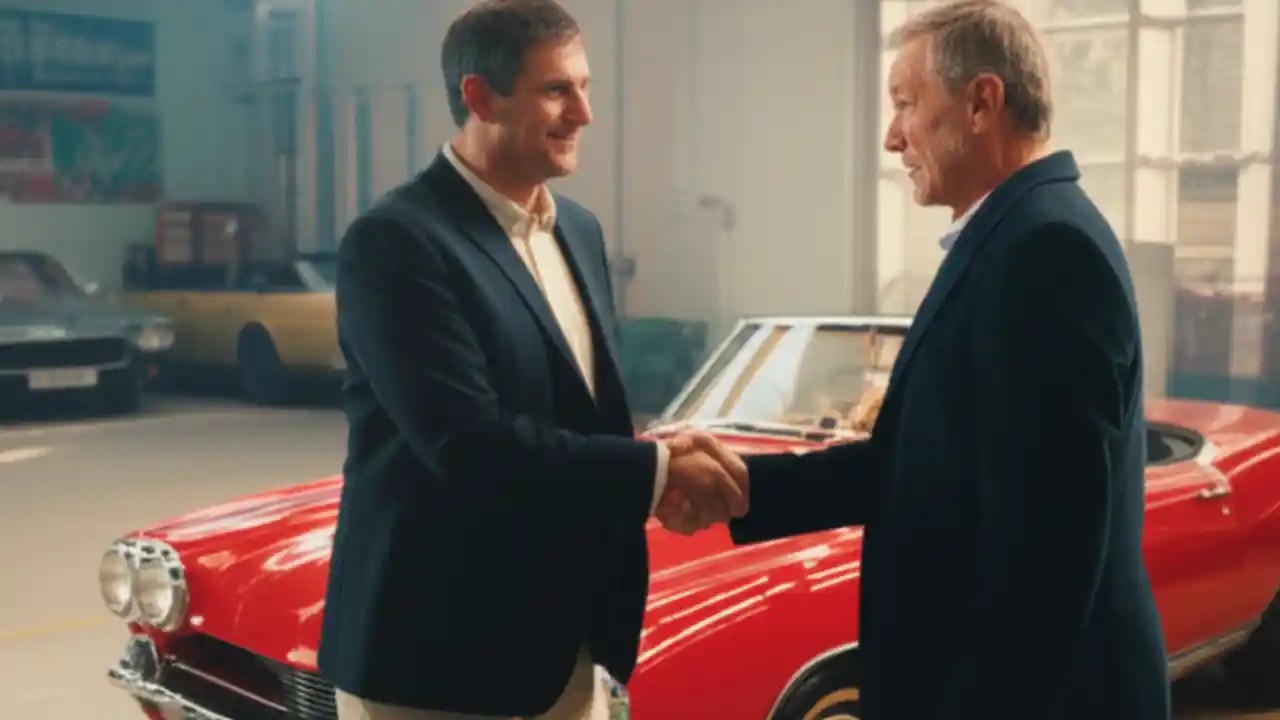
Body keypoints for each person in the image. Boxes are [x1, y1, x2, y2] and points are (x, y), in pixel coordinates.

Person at [676, 1, 1173, 717]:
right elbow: (928, 464)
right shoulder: (1015, 235)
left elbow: (1044, 557)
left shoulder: (1043, 254)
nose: (890, 138)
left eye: (906, 105)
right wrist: (750, 486)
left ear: (981, 102)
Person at [316, 1, 747, 718]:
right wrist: (659, 473)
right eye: (556, 90)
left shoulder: (577, 230)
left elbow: (568, 415)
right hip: (435, 659)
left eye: (584, 86)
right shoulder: (397, 242)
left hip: (563, 644)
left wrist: (655, 449)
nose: (583, 113)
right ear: (479, 97)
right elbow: (468, 444)